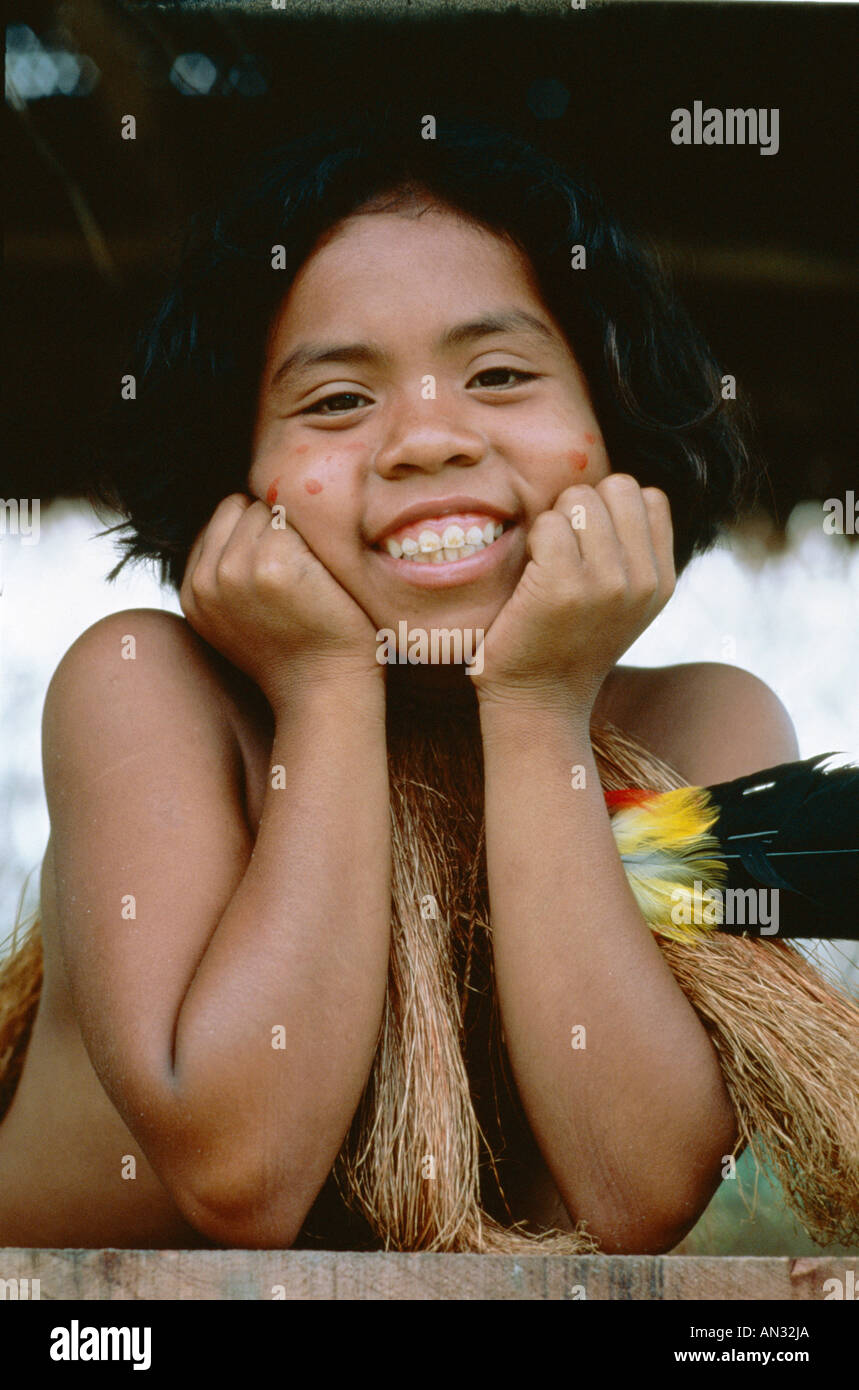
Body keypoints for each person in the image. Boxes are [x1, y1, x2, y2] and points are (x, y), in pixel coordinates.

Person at [0, 115, 855, 1254]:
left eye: (499, 374)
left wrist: (536, 702)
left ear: (613, 432)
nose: (427, 437)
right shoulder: (145, 687)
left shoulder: (704, 722)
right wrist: (327, 688)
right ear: (234, 483)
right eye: (338, 400)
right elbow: (240, 1177)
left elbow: (634, 1190)